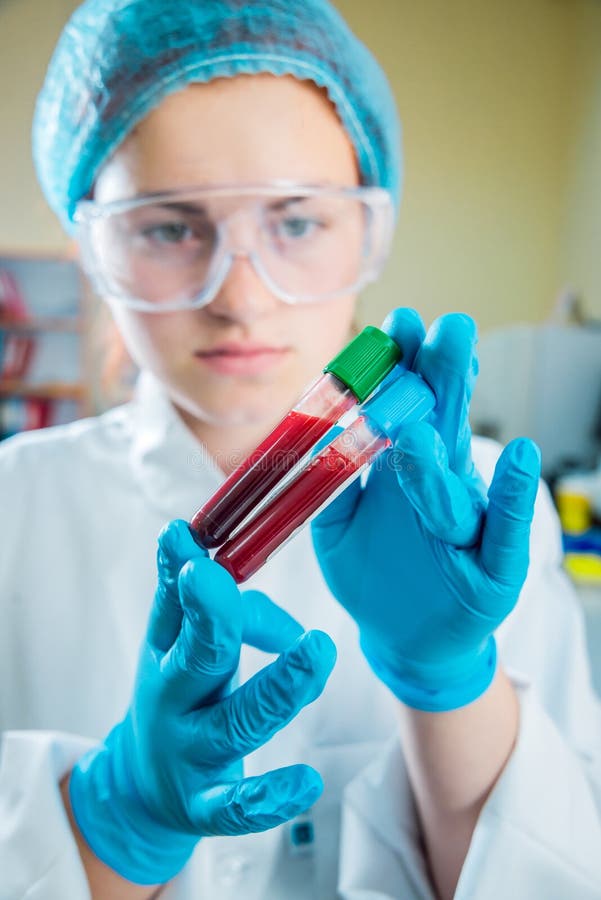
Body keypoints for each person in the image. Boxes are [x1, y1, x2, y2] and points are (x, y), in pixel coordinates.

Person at [1, 1, 600, 898]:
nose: (239, 298)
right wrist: (108, 821)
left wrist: (451, 685)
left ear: (368, 233)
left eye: (297, 222)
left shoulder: (479, 506)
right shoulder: (16, 505)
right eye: (170, 227)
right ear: (95, 246)